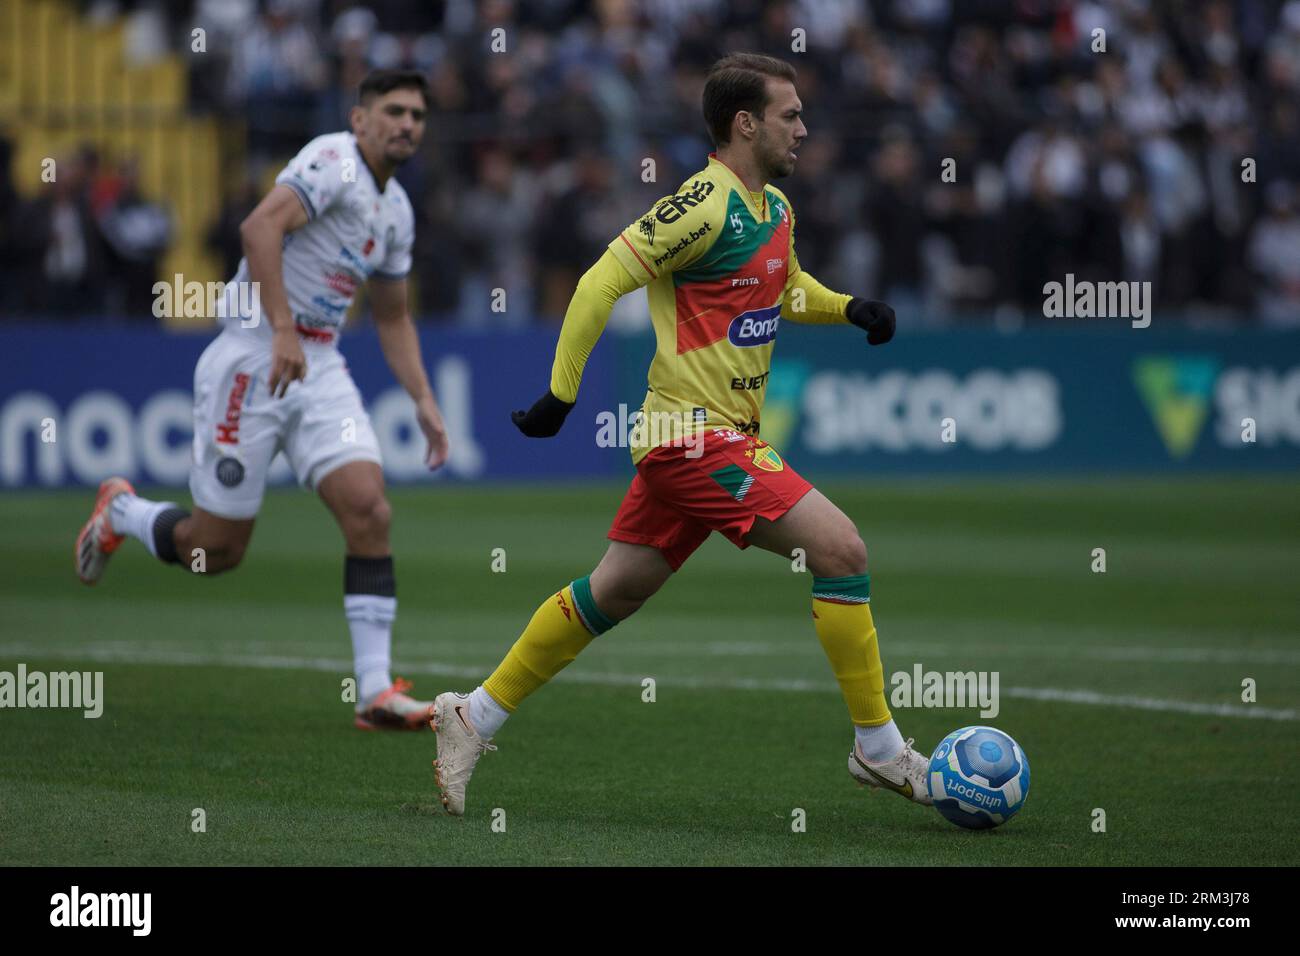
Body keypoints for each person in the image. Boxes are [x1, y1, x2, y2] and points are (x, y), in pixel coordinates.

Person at [428, 53, 931, 815]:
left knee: (615, 591)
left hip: (715, 438)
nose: (804, 128)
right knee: (842, 550)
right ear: (745, 123)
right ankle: (880, 749)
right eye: (790, 115)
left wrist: (848, 307)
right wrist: (562, 394)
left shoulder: (776, 211)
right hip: (692, 439)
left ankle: (472, 714)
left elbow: (785, 286)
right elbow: (603, 280)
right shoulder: (700, 205)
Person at [75, 70, 450, 731]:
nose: (407, 124)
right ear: (359, 120)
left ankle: (373, 692)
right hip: (254, 353)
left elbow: (392, 317)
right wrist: (281, 326)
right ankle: (124, 512)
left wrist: (422, 397)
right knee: (214, 552)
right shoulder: (332, 159)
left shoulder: (397, 212)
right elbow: (258, 228)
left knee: (370, 510)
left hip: (320, 362)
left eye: (417, 114)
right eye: (393, 110)